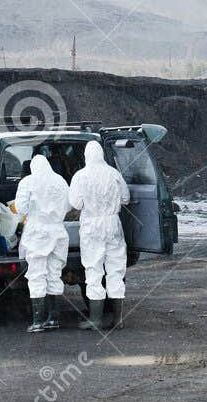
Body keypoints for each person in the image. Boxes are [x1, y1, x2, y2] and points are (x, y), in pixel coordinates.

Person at [69, 140, 130, 331]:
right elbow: (125, 198)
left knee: (94, 271)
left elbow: (76, 204)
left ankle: (95, 319)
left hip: (92, 226)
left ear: (87, 156)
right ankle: (118, 319)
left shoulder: (81, 176)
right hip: (113, 224)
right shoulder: (114, 173)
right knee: (116, 270)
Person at [11, 152, 71, 333]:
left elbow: (21, 208)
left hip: (37, 232)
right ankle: (53, 319)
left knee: (37, 275)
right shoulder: (60, 180)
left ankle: (37, 321)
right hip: (58, 231)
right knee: (54, 273)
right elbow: (69, 205)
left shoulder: (27, 182)